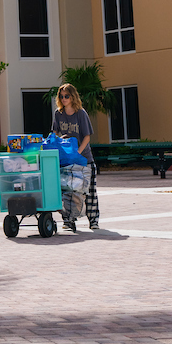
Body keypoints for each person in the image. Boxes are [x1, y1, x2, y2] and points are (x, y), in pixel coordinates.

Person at [52, 82, 99, 232]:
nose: (64, 99)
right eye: (61, 96)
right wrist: (55, 145)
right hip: (66, 161)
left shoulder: (81, 113)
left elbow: (87, 137)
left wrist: (78, 152)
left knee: (88, 192)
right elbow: (54, 134)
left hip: (84, 159)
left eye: (67, 96)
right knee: (68, 191)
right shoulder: (58, 114)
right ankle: (68, 221)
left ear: (73, 97)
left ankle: (93, 221)